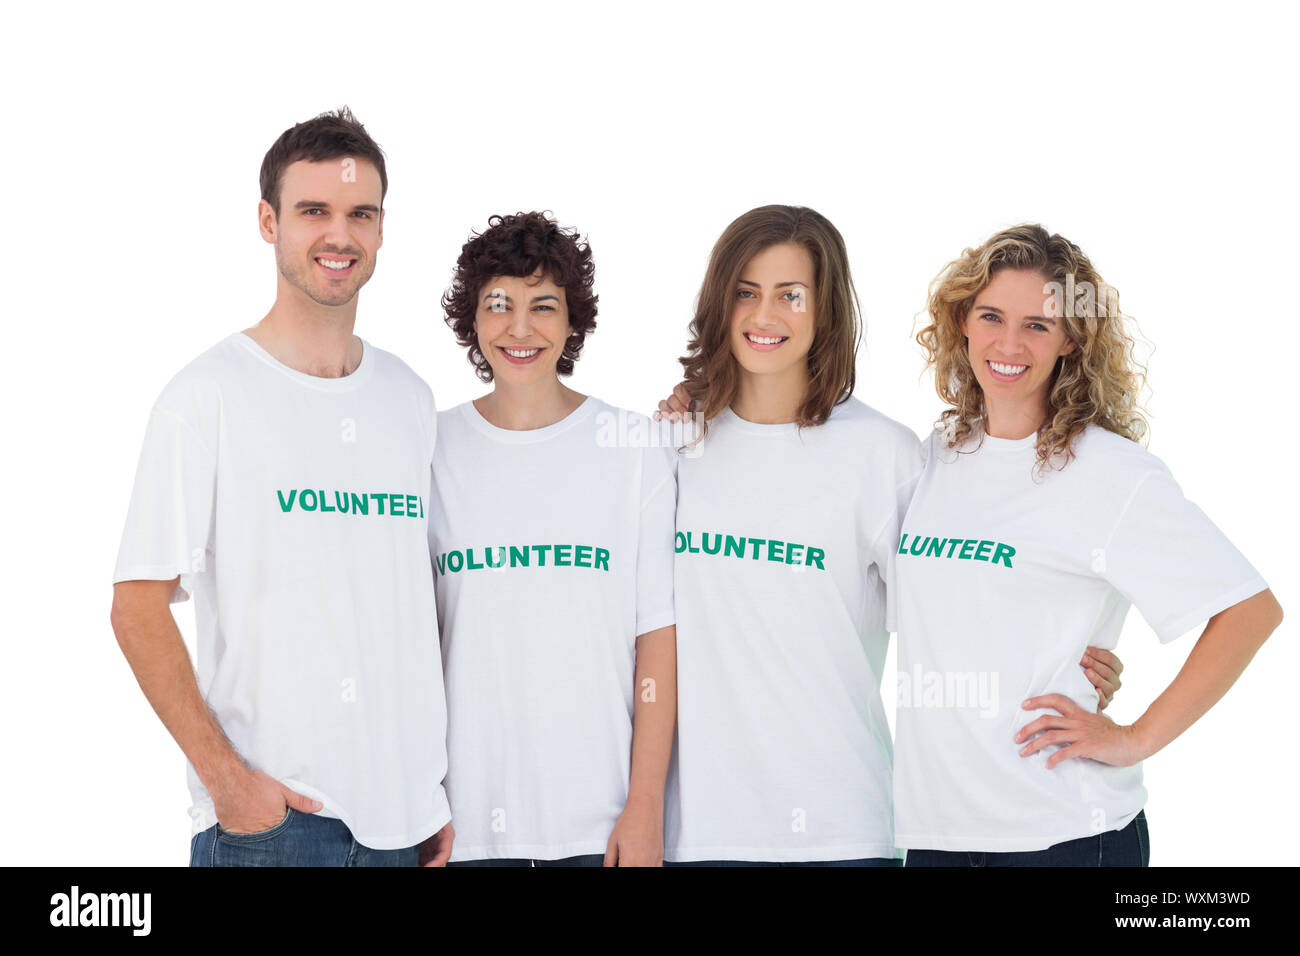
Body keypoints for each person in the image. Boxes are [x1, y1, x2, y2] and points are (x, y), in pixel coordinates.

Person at [653, 206, 1123, 865]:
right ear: (719, 303)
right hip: (690, 834)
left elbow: (966, 600)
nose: (766, 316)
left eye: (792, 295)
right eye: (746, 292)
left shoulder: (887, 457)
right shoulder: (668, 446)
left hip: (847, 829)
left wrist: (1074, 653)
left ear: (826, 312)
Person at [110, 107, 455, 867]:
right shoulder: (207, 397)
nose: (340, 235)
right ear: (268, 222)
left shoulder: (409, 398)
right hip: (278, 825)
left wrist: (432, 792)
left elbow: (417, 600)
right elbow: (137, 605)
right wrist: (230, 785)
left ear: (382, 228)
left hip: (408, 826)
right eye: (313, 212)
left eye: (360, 213)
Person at [893, 224, 1282, 866]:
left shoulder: (1112, 474)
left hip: (1064, 833)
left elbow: (1250, 610)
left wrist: (1135, 737)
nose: (1009, 343)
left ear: (1071, 337)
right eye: (991, 316)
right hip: (937, 834)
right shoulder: (935, 457)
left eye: (1038, 325)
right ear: (962, 321)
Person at [431, 212, 677, 866]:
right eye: (498, 305)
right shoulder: (428, 449)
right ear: (472, 319)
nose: (519, 328)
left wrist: (645, 805)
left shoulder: (633, 450)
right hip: (462, 832)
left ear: (573, 321)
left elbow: (656, 640)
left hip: (601, 832)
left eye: (543, 306)